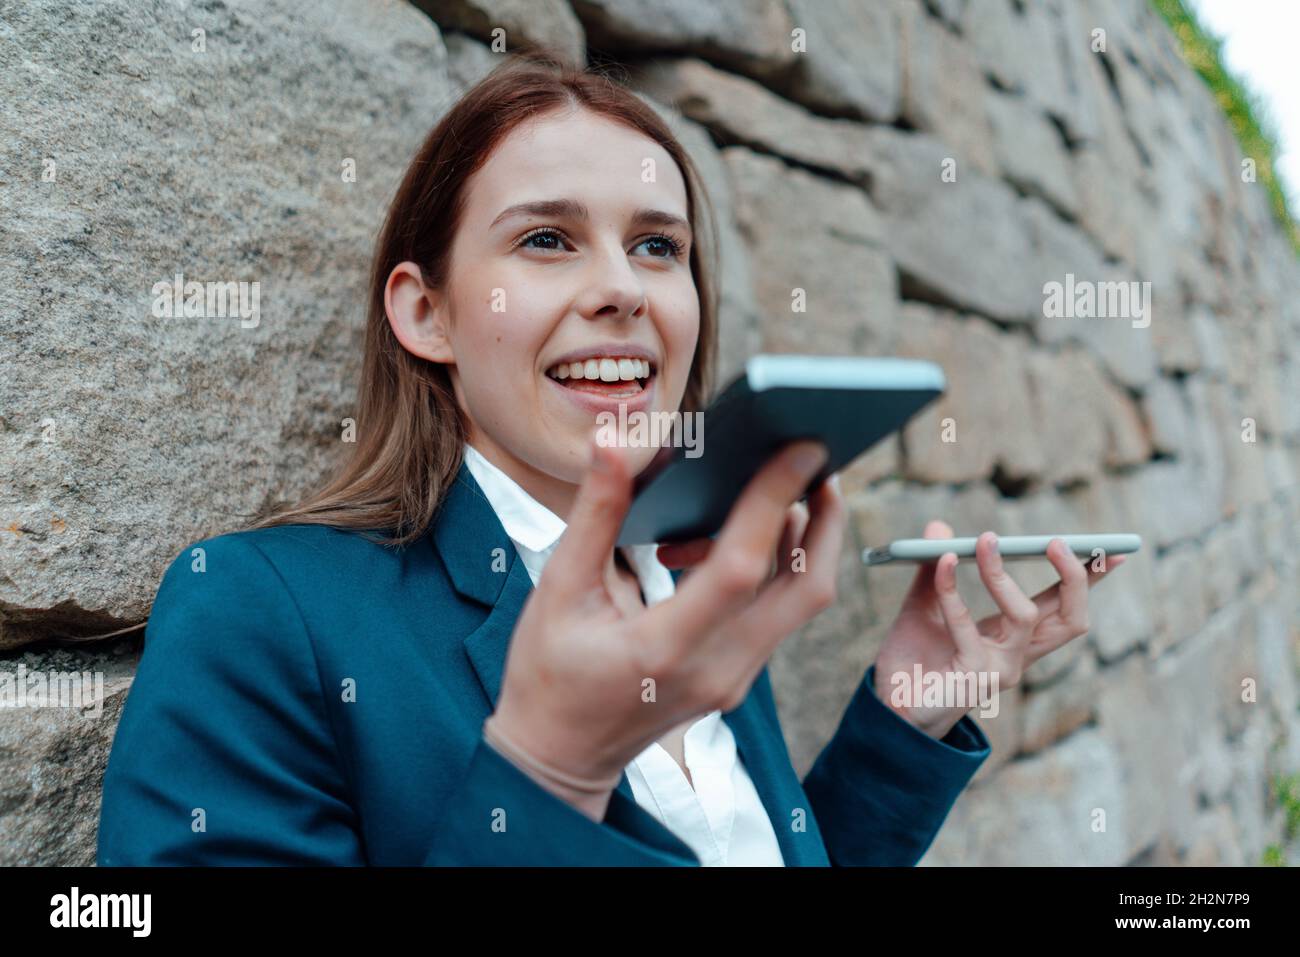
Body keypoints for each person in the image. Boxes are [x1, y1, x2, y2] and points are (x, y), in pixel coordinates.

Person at [96, 51, 1126, 866]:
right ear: (426, 312)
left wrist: (906, 716)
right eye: (546, 240)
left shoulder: (693, 580)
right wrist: (549, 772)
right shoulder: (262, 612)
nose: (622, 290)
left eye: (657, 246)